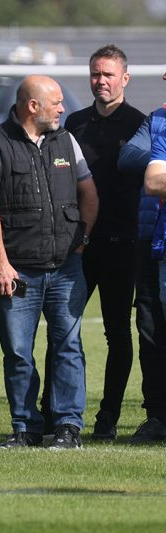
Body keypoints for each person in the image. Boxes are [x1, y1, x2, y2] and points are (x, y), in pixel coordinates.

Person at [0, 75, 97, 453]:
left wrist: (83, 240)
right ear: (32, 106)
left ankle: (67, 427)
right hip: (18, 271)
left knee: (68, 347)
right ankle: (25, 427)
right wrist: (0, 264)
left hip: (65, 269)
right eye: (56, 102)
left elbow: (88, 193)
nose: (63, 108)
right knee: (18, 352)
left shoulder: (66, 140)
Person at [62, 45, 145, 441]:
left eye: (109, 74)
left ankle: (108, 416)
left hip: (121, 242)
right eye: (96, 73)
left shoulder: (139, 125)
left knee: (117, 333)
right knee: (63, 330)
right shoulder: (74, 123)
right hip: (76, 244)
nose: (101, 81)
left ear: (125, 78)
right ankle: (58, 414)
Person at [118, 101, 166, 444]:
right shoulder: (157, 120)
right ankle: (157, 415)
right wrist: (156, 159)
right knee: (149, 330)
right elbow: (130, 158)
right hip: (152, 237)